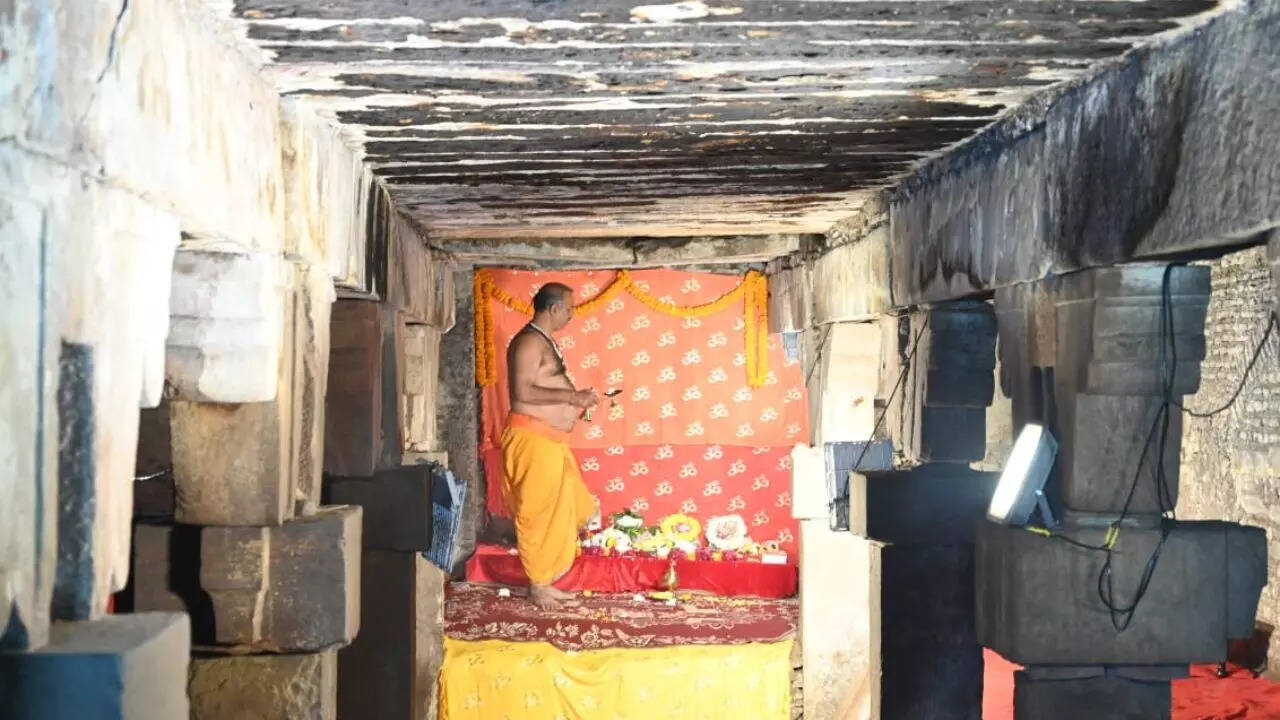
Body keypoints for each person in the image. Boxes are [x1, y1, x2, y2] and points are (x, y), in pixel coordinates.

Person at [501, 282, 601, 609]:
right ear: (554, 308)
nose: (572, 315)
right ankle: (538, 584)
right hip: (533, 440)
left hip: (551, 441)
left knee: (574, 504)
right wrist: (572, 397)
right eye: (570, 309)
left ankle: (545, 579)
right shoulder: (528, 342)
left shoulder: (545, 342)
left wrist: (575, 404)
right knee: (537, 513)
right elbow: (523, 393)